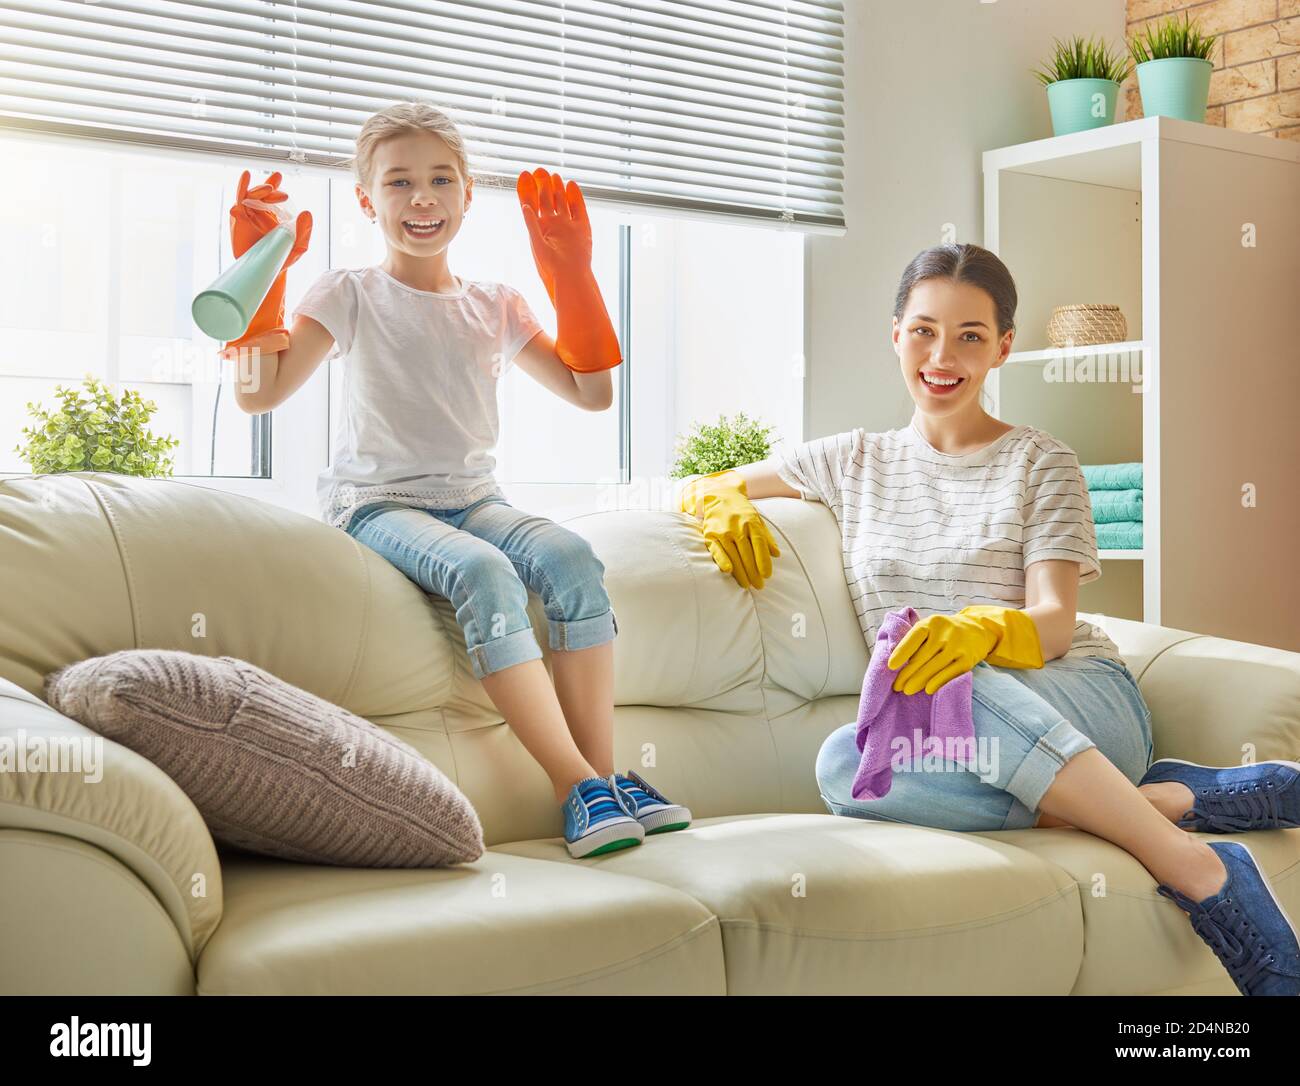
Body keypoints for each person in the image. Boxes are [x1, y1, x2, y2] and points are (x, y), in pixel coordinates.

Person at [679, 243, 1300, 996]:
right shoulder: (852, 460)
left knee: (953, 680)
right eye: (924, 331)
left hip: (1076, 697)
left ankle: (1200, 869)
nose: (943, 355)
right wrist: (717, 499)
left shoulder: (1043, 462)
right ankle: (1165, 800)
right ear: (896, 335)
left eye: (971, 335)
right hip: (953, 731)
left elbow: (1055, 624)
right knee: (847, 763)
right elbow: (710, 480)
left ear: (1003, 347)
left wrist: (980, 631)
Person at [227, 100, 690, 860]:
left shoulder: (495, 304)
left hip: (477, 498)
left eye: (442, 180)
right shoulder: (348, 293)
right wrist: (258, 284)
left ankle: (607, 779)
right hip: (374, 504)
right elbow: (257, 394)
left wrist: (572, 276)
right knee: (483, 571)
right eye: (399, 182)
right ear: (366, 200)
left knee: (571, 558)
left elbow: (591, 393)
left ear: (469, 196)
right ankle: (575, 784)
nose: (422, 198)